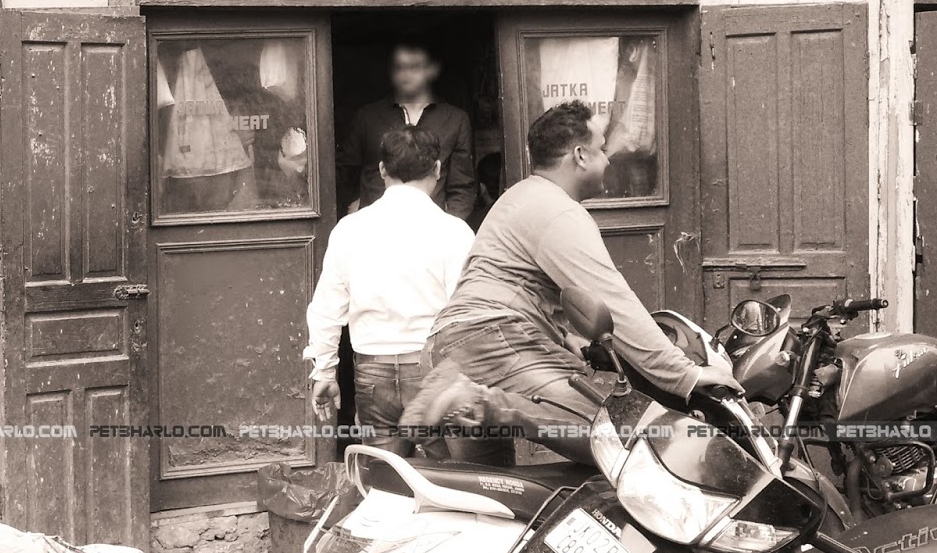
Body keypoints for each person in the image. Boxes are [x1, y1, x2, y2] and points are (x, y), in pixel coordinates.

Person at [403, 101, 739, 464]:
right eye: (603, 149)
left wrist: (568, 339)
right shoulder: (559, 211)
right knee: (618, 442)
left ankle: (472, 402)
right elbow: (613, 302)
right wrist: (682, 374)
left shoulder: (518, 197)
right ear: (580, 155)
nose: (608, 160)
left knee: (493, 496)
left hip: (453, 347)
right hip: (494, 343)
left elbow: (514, 285)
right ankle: (478, 402)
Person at [305, 127, 474, 457]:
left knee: (386, 483)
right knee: (448, 482)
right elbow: (467, 314)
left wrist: (324, 371)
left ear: (382, 170)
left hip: (371, 373)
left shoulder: (350, 229)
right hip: (433, 371)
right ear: (438, 169)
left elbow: (326, 309)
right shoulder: (455, 233)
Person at [338, 38, 475, 218]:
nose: (405, 75)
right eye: (399, 67)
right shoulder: (367, 117)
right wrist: (354, 210)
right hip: (375, 226)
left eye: (414, 67)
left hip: (431, 227)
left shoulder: (455, 119)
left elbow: (462, 186)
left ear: (432, 70)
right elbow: (344, 173)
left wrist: (449, 226)